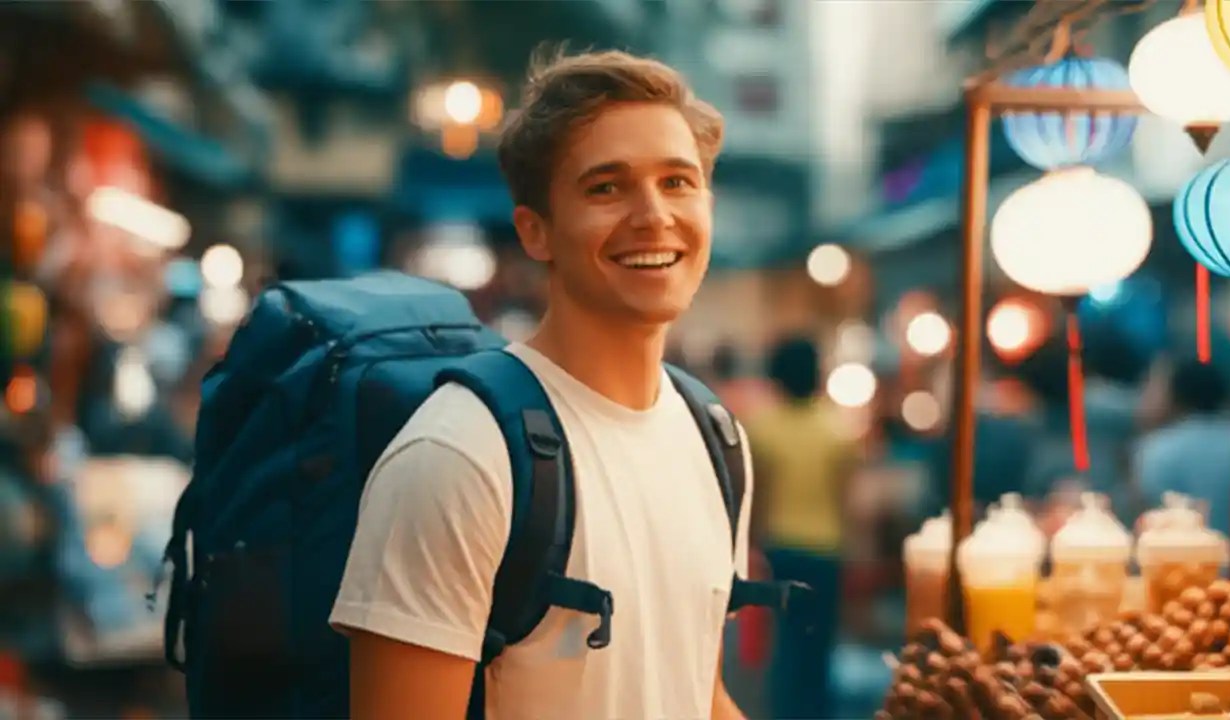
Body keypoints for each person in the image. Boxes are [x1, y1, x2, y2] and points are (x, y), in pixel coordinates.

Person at [328, 48, 753, 720]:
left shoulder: (715, 439)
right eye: (606, 188)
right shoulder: (459, 455)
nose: (653, 215)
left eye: (678, 181)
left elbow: (697, 693)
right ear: (536, 232)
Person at [743, 335, 859, 719]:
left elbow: (757, 499)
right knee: (820, 645)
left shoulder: (762, 429)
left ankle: (785, 712)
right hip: (827, 550)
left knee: (786, 645)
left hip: (781, 549)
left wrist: (750, 545)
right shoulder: (837, 430)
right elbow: (846, 499)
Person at [1133, 357, 1230, 537]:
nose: (1143, 396)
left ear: (1174, 395)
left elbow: (1147, 524)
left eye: (1150, 386)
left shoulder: (1158, 449)